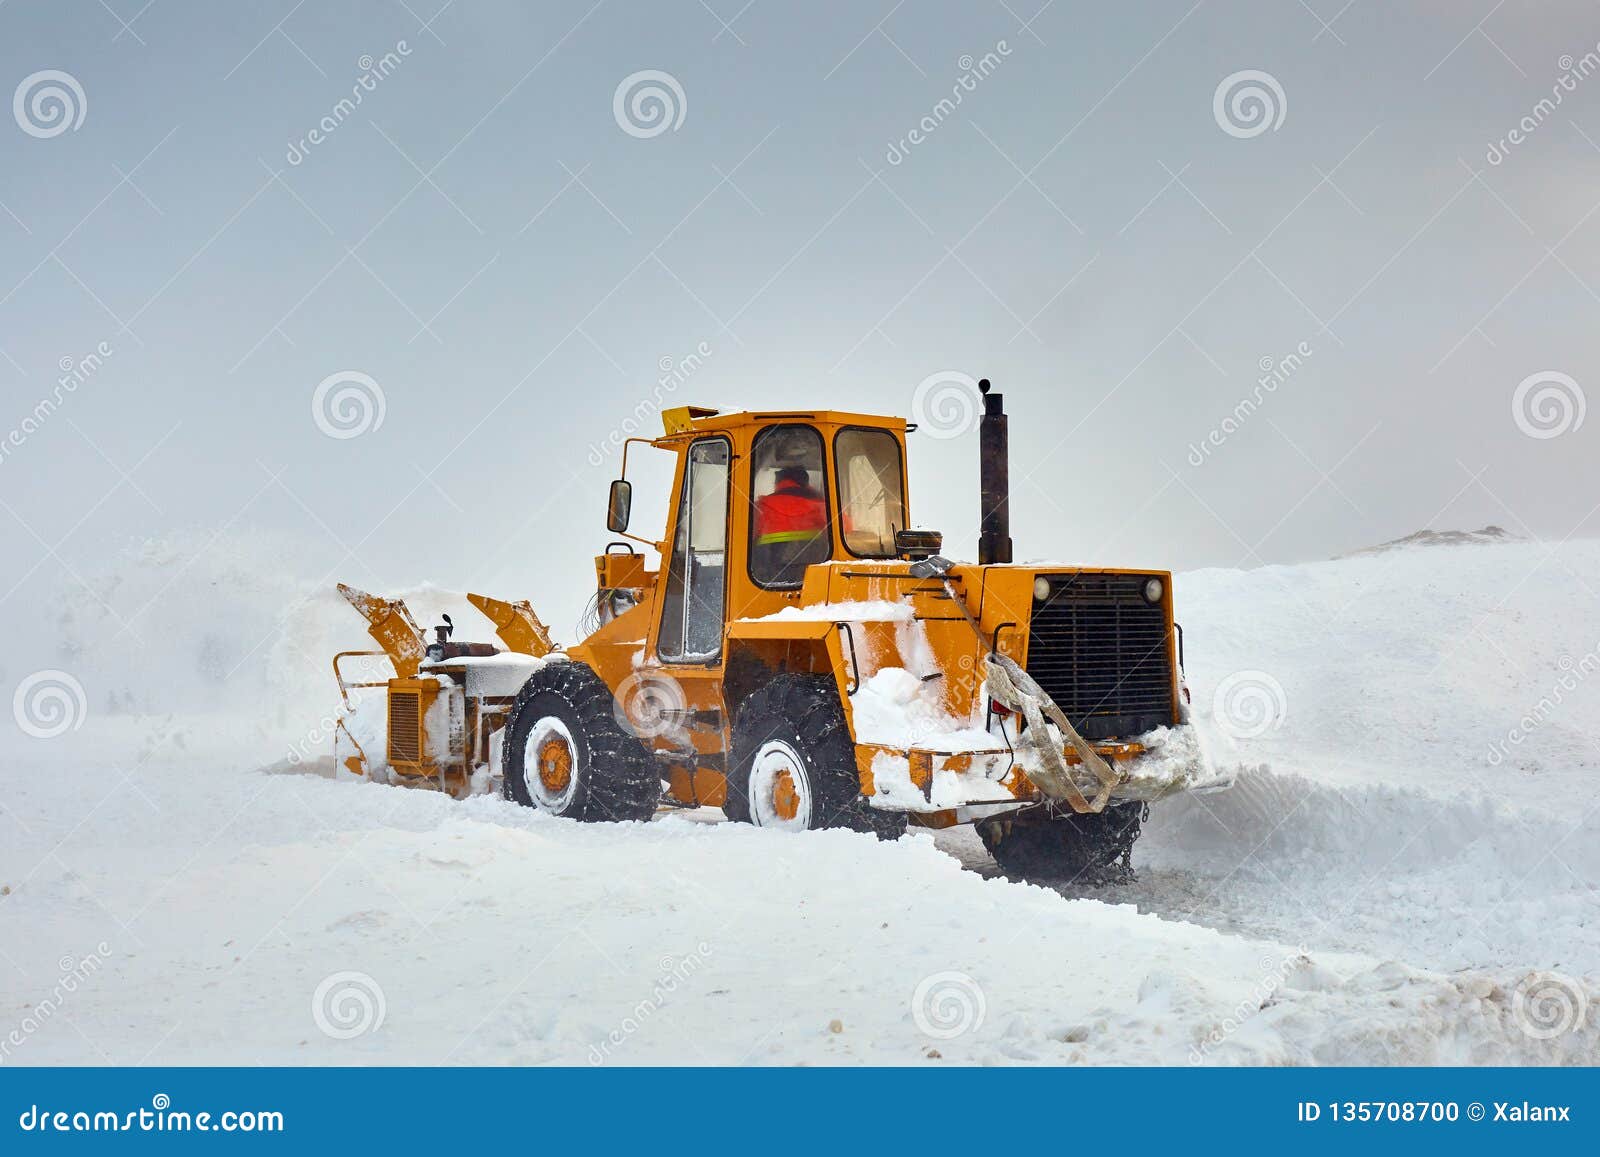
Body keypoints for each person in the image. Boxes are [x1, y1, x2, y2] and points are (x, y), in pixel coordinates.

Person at [754, 466, 828, 583]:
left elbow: (744, 538)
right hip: (812, 578)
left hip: (767, 578)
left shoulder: (761, 507)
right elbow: (846, 527)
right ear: (805, 483)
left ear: (778, 483)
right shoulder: (821, 505)